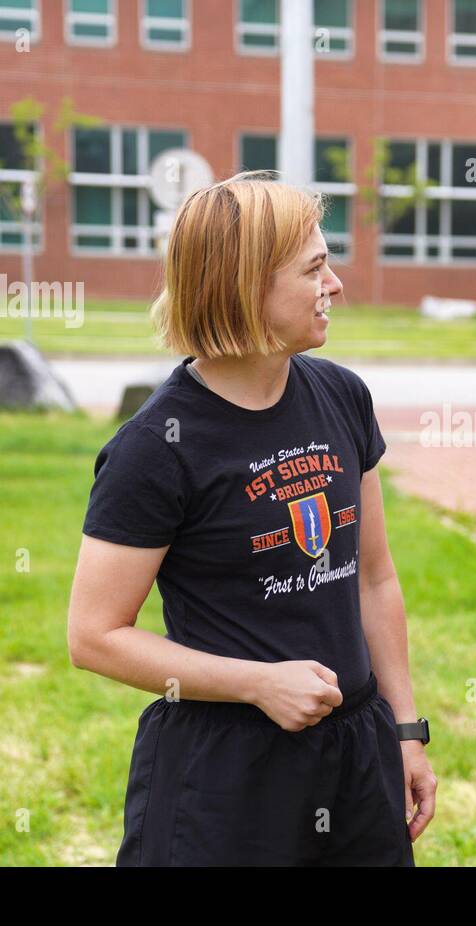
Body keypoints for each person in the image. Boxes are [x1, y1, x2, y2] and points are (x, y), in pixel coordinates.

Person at [66, 171, 436, 866]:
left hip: (354, 753)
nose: (337, 285)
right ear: (246, 287)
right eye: (315, 268)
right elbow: (93, 635)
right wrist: (258, 681)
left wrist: (404, 729)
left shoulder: (343, 396)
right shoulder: (156, 447)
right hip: (225, 775)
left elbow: (373, 580)